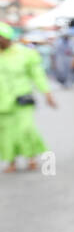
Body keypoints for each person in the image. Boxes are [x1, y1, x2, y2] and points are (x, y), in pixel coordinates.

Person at [0, 23, 57, 172]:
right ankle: (10, 161)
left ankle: (31, 157)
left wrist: (47, 93)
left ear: (7, 37)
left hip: (22, 98)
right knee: (6, 133)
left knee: (26, 129)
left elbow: (37, 75)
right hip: (2, 103)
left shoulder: (25, 53)